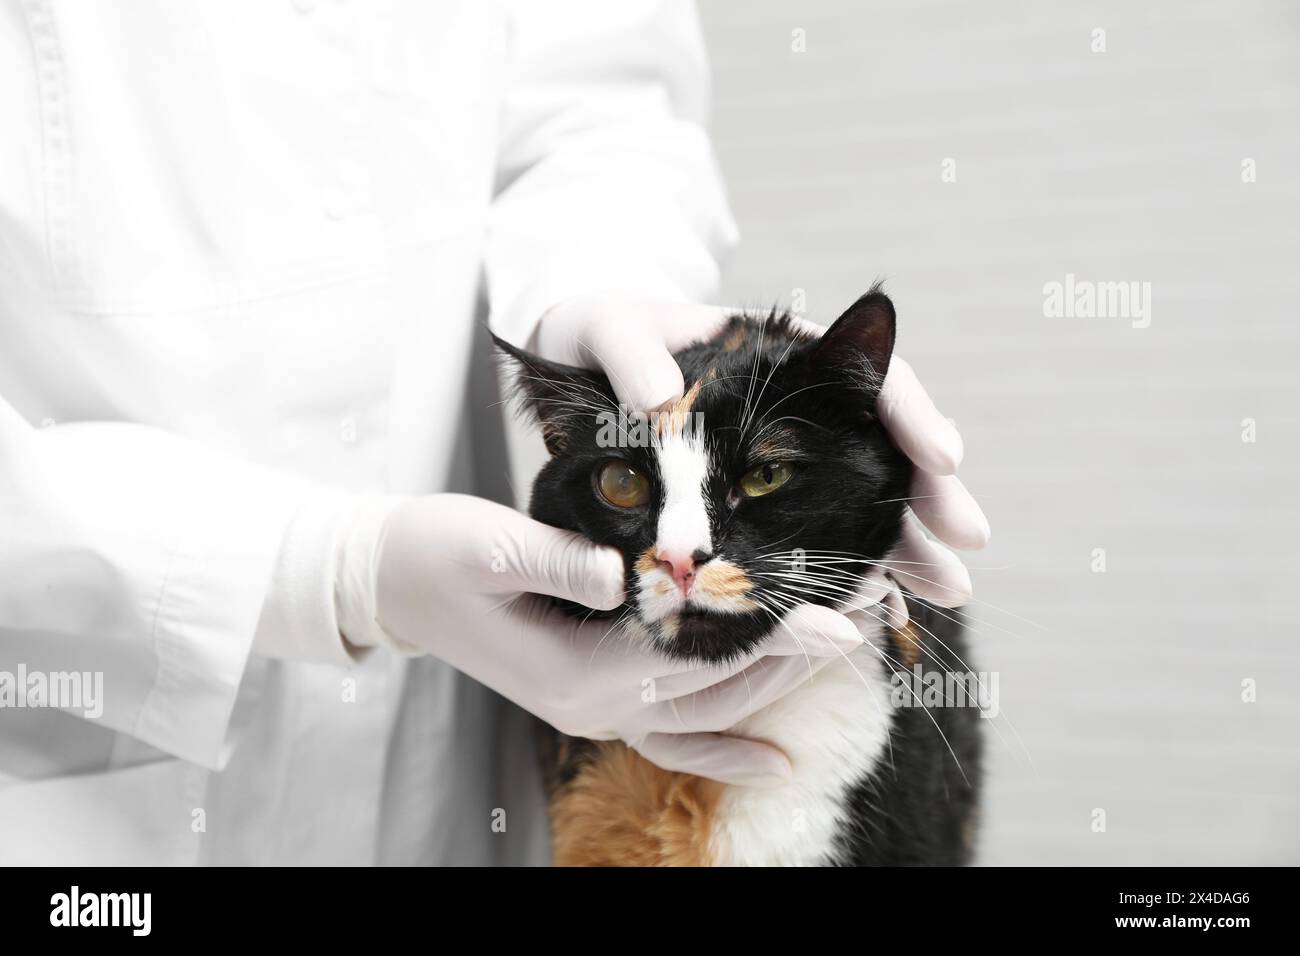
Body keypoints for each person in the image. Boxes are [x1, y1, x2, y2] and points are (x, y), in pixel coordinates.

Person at [0, 1, 987, 865]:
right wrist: (325, 565)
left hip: (440, 790)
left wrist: (605, 293)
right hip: (73, 802)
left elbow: (598, 107)